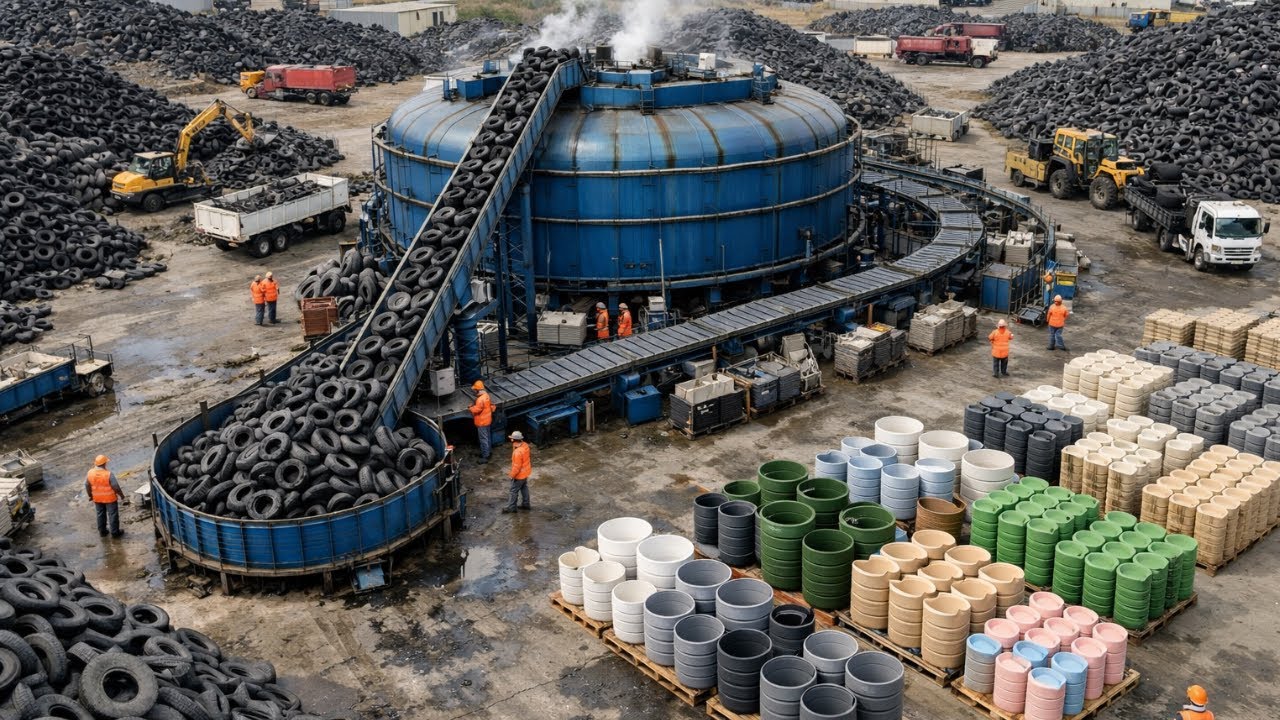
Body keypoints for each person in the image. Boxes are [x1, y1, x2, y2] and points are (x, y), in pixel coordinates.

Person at [85, 455, 124, 538]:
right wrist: (121, 495)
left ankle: (102, 531)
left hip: (97, 498)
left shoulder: (90, 473)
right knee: (112, 515)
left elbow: (87, 485)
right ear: (104, 463)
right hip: (110, 499)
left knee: (100, 514)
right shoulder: (108, 474)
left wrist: (90, 495)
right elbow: (115, 486)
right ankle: (115, 532)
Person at [502, 431, 532, 514]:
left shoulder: (517, 452)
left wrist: (512, 475)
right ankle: (526, 504)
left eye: (511, 438)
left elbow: (516, 467)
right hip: (526, 472)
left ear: (513, 440)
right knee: (524, 487)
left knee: (513, 491)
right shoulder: (525, 445)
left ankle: (511, 507)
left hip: (519, 475)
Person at [469, 380, 494, 463]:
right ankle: (488, 452)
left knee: (483, 439)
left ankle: (485, 457)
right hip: (487, 421)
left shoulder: (480, 400)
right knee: (487, 437)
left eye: (475, 389)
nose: (474, 391)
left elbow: (476, 410)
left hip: (481, 422)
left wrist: (470, 408)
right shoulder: (486, 396)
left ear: (478, 390)